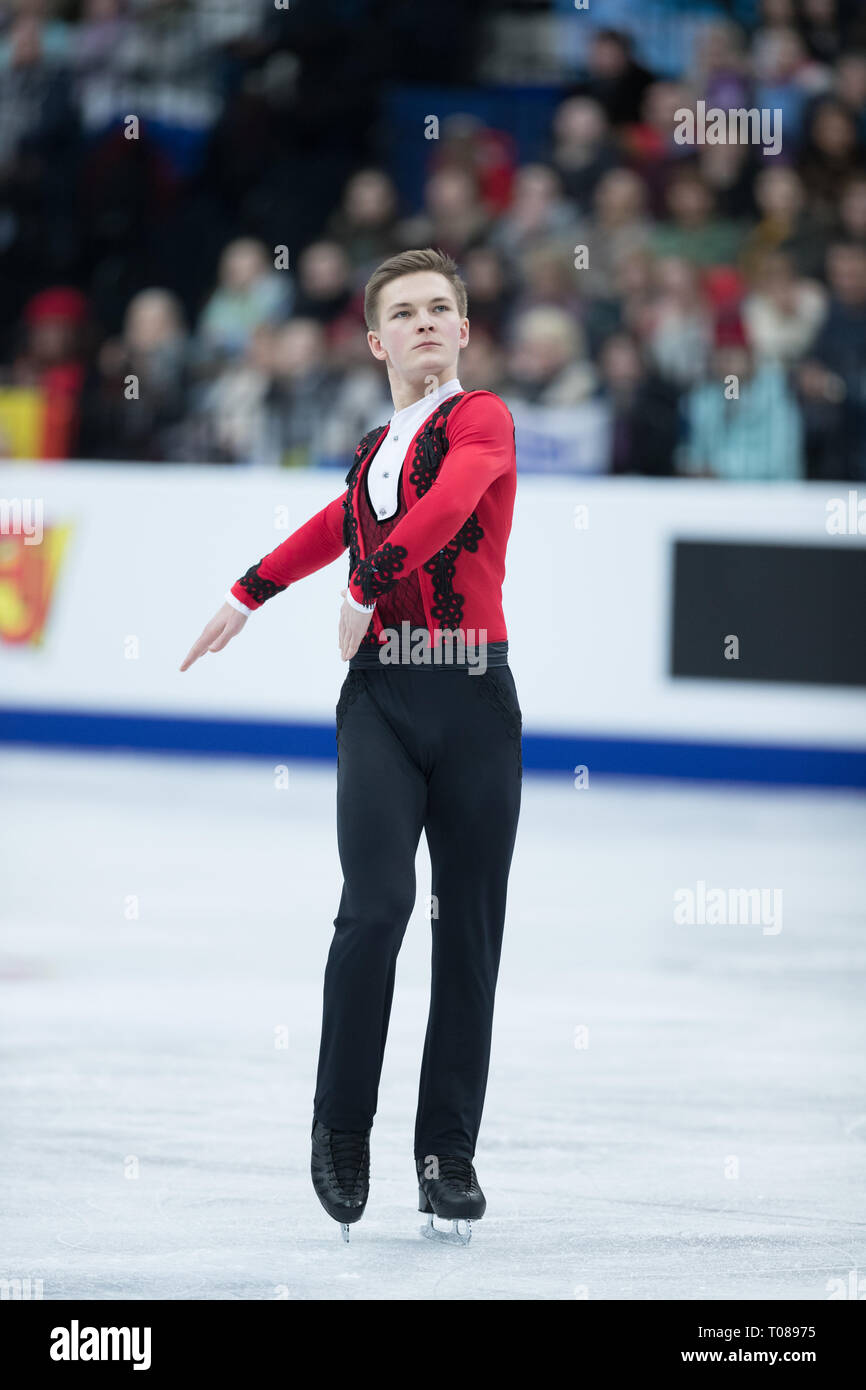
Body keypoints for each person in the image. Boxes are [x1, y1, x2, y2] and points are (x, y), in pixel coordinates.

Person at [180, 247, 522, 1244]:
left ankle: (445, 1153)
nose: (423, 324)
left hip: (471, 695)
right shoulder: (376, 446)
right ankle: (340, 1126)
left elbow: (452, 505)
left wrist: (366, 584)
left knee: (466, 930)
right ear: (375, 340)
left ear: (461, 330)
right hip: (380, 698)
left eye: (439, 310)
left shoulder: (481, 418)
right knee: (372, 911)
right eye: (403, 313)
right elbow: (340, 520)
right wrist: (248, 592)